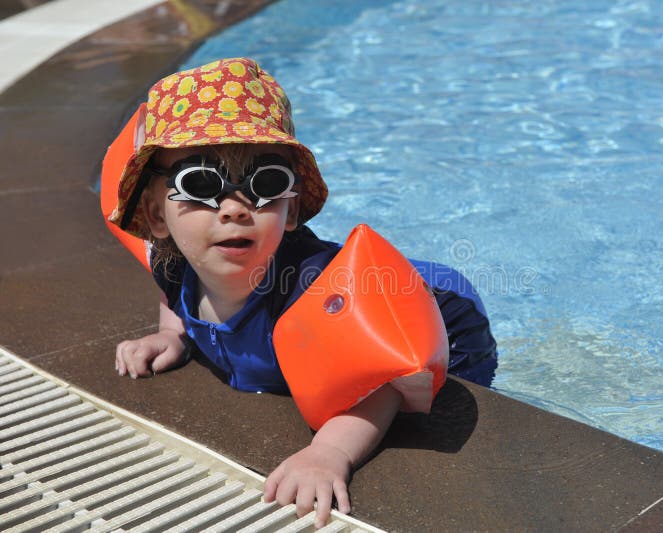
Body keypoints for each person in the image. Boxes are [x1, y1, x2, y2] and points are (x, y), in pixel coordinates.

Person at [106, 57, 496, 527]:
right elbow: (170, 289)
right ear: (154, 217)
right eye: (201, 182)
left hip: (431, 312)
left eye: (266, 182)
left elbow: (383, 381)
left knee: (432, 404)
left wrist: (329, 452)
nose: (235, 207)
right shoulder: (174, 265)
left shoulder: (308, 292)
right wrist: (173, 335)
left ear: (290, 211)